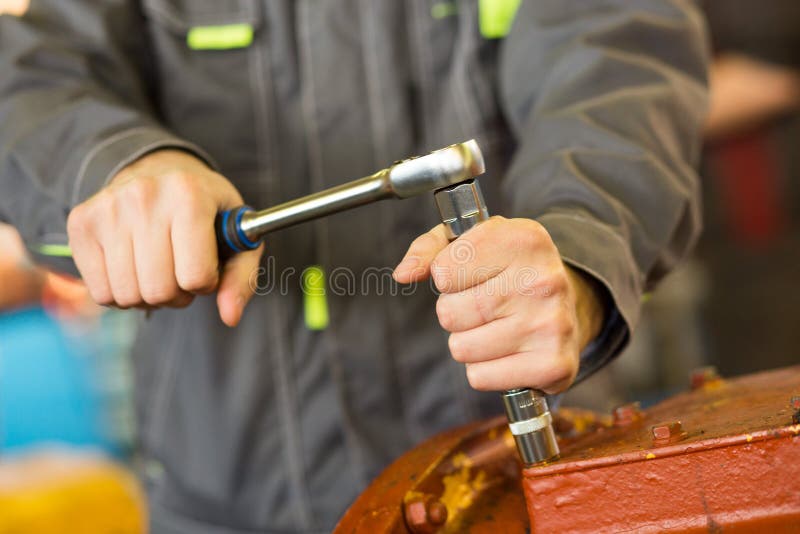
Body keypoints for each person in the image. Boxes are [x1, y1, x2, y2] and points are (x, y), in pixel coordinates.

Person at [0, 1, 708, 532]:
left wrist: (579, 253)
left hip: (517, 491)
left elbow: (619, 66)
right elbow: (31, 79)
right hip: (227, 500)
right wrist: (112, 162)